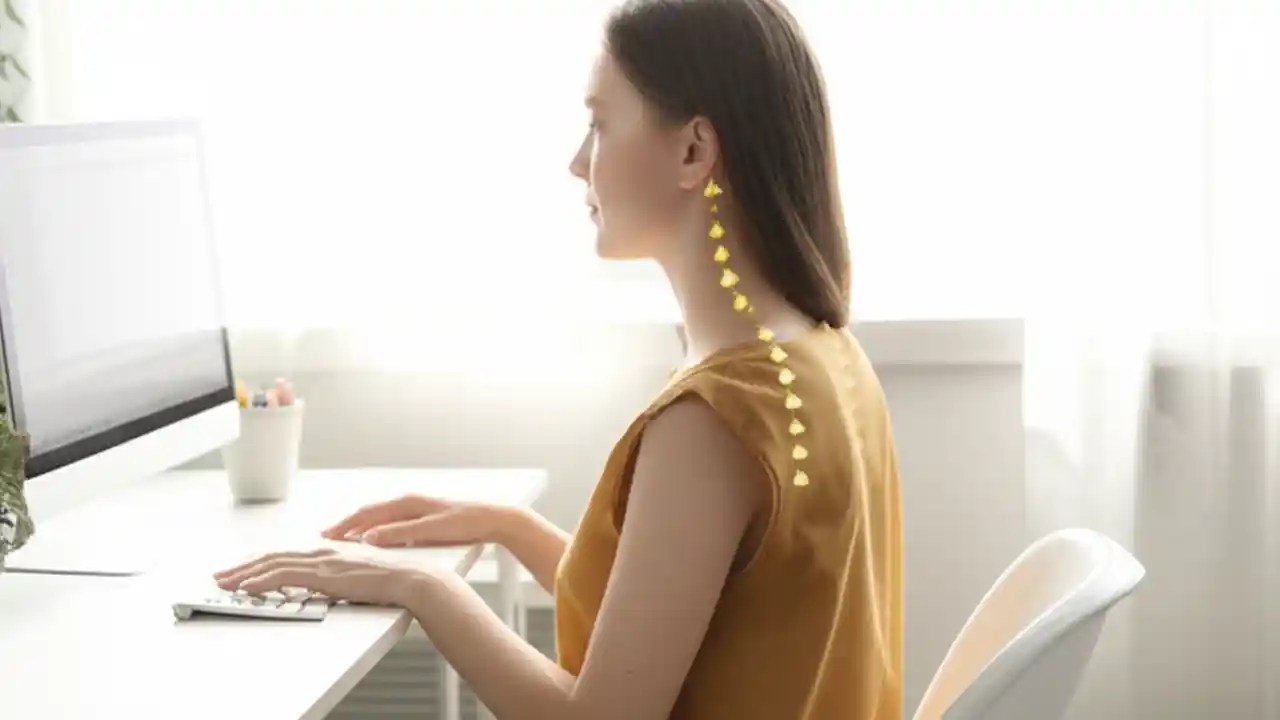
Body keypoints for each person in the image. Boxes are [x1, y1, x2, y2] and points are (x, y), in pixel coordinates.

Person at [215, 0, 903, 717]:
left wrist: (422, 587)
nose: (577, 163)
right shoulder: (828, 355)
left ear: (693, 152)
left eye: (599, 124)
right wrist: (507, 525)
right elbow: (691, 608)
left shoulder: (714, 419)